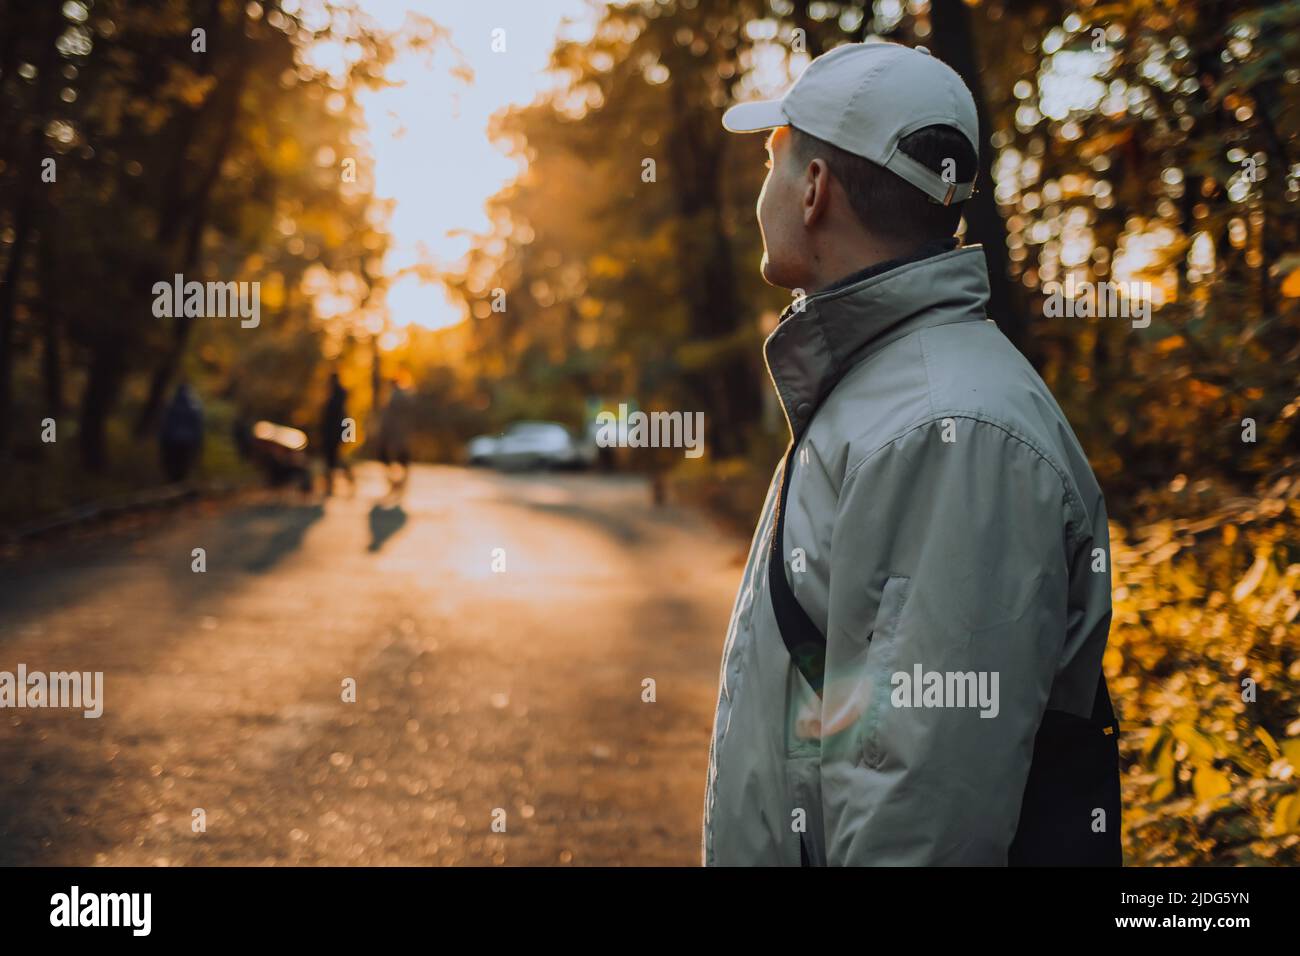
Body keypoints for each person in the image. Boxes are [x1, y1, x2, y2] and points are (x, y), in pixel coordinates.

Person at [702, 42, 1119, 866]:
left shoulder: (945, 433)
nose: (762, 194)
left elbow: (920, 818)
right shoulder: (889, 396)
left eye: (772, 162)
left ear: (814, 190)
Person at [375, 371, 414, 499]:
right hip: (399, 434)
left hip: (394, 435)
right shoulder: (403, 396)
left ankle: (397, 484)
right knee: (401, 461)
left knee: (391, 459)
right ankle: (398, 484)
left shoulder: (395, 397)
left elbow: (390, 418)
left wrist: (384, 433)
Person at [159, 381, 204, 483]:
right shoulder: (195, 407)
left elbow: (164, 425)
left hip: (171, 442)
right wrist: (199, 443)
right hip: (188, 442)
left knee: (172, 468)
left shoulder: (170, 405)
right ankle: (180, 488)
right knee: (184, 468)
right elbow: (198, 427)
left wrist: (162, 441)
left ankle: (172, 487)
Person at [319, 370, 353, 496]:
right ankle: (332, 483)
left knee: (333, 458)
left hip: (333, 432)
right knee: (334, 459)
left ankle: (331, 484)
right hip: (335, 432)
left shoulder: (336, 397)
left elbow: (335, 417)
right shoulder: (338, 395)